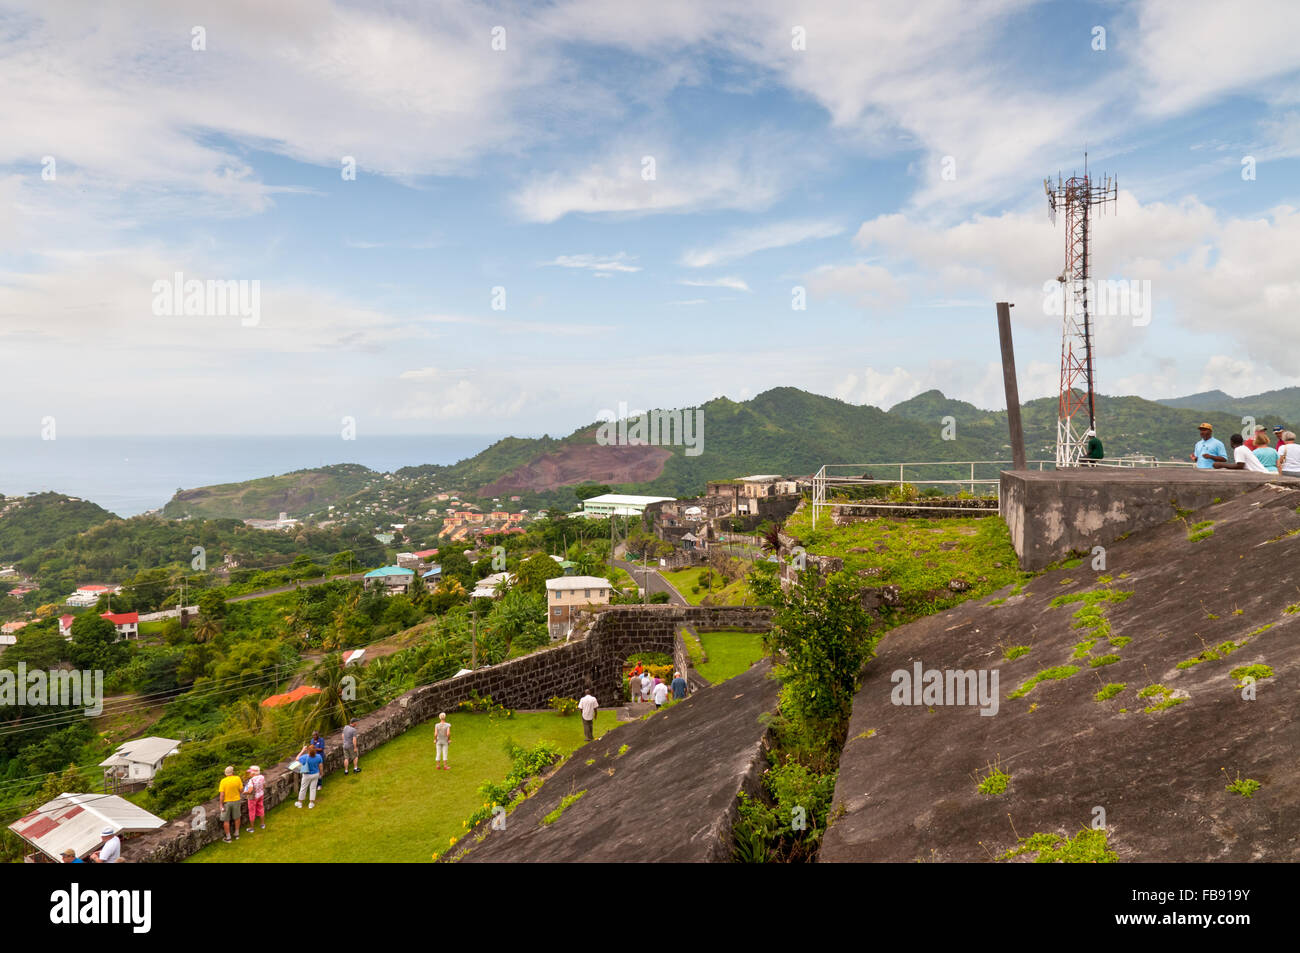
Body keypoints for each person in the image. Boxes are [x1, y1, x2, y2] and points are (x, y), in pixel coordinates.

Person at [218, 765, 243, 841]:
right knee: (237, 817)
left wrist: (221, 804)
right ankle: (237, 834)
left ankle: (228, 838)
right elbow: (241, 790)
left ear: (226, 773)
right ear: (232, 772)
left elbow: (222, 794)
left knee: (226, 820)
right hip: (236, 800)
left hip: (227, 802)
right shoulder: (237, 778)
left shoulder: (223, 781)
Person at [294, 744, 323, 809]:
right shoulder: (318, 756)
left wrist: (302, 750)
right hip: (315, 774)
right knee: (312, 788)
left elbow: (296, 759)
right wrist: (321, 773)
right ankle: (311, 803)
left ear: (308, 751)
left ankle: (300, 803)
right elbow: (320, 766)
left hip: (307, 775)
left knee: (303, 788)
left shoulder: (305, 757)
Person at [243, 765, 266, 831]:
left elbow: (250, 790)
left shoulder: (251, 780)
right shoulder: (262, 777)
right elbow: (264, 785)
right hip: (260, 795)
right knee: (261, 808)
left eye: (250, 772)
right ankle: (262, 824)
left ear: (253, 773)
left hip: (253, 797)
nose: (249, 773)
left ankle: (252, 828)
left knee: (252, 811)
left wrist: (244, 793)